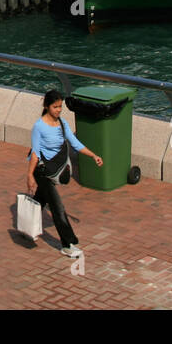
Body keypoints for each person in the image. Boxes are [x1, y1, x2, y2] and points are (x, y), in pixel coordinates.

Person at [27, 90, 103, 258]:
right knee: (57, 207)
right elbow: (35, 153)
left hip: (55, 168)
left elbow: (75, 143)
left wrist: (93, 155)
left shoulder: (62, 124)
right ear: (46, 106)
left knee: (38, 201)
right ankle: (68, 244)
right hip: (42, 171)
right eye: (55, 107)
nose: (59, 110)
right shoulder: (39, 127)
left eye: (60, 107)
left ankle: (25, 223)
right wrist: (30, 176)